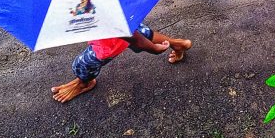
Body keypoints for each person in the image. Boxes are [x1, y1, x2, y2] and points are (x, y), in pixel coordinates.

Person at [52, 24, 192, 103]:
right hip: (122, 20)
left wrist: (154, 49)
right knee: (140, 31)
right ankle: (178, 44)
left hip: (109, 37)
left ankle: (85, 83)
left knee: (82, 64)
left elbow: (133, 38)